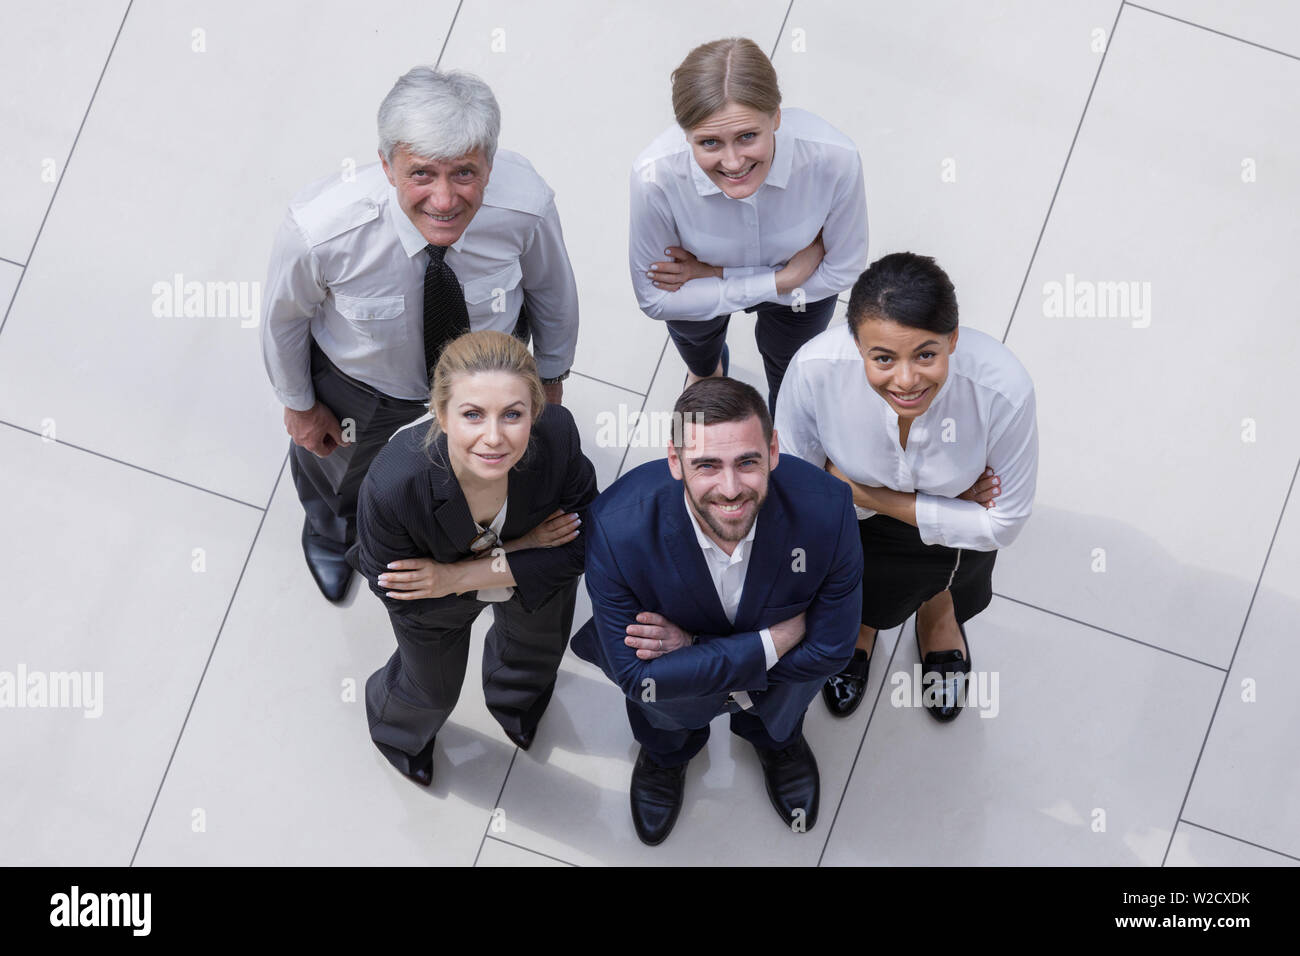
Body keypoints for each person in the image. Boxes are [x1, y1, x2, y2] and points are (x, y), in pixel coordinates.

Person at [262, 66, 580, 603]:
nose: (444, 199)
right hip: (362, 388)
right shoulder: (321, 231)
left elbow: (553, 291)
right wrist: (298, 404)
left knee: (473, 468)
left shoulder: (526, 206)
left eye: (464, 173)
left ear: (490, 164)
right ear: (387, 166)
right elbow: (284, 320)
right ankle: (332, 530)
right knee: (335, 474)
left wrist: (550, 375)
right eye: (422, 174)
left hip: (487, 380)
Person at [571, 377, 862, 845]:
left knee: (780, 715)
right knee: (664, 720)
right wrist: (771, 641)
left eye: (747, 462)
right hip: (676, 701)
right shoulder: (615, 527)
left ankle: (776, 741)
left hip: (782, 689)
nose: (730, 490)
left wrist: (690, 650)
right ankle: (666, 756)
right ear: (674, 460)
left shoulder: (828, 510)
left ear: (772, 451)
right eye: (706, 465)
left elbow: (832, 650)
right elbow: (638, 677)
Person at [775, 252, 1038, 720]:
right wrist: (946, 501)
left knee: (951, 581)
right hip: (869, 520)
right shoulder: (814, 370)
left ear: (953, 339)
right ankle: (863, 624)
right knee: (858, 588)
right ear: (856, 344)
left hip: (945, 534)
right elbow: (796, 484)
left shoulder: (1002, 390)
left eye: (926, 354)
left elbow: (1004, 525)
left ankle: (938, 615)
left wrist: (865, 492)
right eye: (882, 358)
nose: (906, 380)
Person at [347, 331, 597, 787]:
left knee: (537, 652)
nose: (494, 438)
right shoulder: (393, 486)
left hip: (526, 582)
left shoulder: (558, 435)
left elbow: (582, 542)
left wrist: (455, 575)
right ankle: (398, 733)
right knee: (431, 689)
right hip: (437, 607)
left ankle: (517, 701)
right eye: (473, 415)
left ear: (535, 412)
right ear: (441, 414)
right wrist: (522, 548)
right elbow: (403, 596)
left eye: (513, 415)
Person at [628, 36, 868, 414]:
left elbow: (844, 270)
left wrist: (712, 273)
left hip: (727, 285)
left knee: (789, 378)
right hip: (790, 281)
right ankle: (706, 374)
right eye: (709, 143)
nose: (734, 162)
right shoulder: (655, 176)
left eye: (747, 137)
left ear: (775, 116)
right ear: (684, 134)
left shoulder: (833, 159)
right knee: (701, 357)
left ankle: (783, 425)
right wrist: (778, 281)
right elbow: (655, 298)